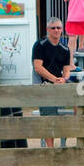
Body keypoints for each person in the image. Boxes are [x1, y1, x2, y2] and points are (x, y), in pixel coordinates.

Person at [32, 18, 74, 148]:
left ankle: (76, 134)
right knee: (48, 113)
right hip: (43, 84)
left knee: (81, 96)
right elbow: (38, 67)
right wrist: (54, 79)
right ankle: (50, 147)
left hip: (59, 83)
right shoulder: (39, 45)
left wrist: (64, 79)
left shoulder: (65, 48)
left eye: (59, 28)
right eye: (53, 28)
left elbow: (67, 70)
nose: (56, 30)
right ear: (47, 30)